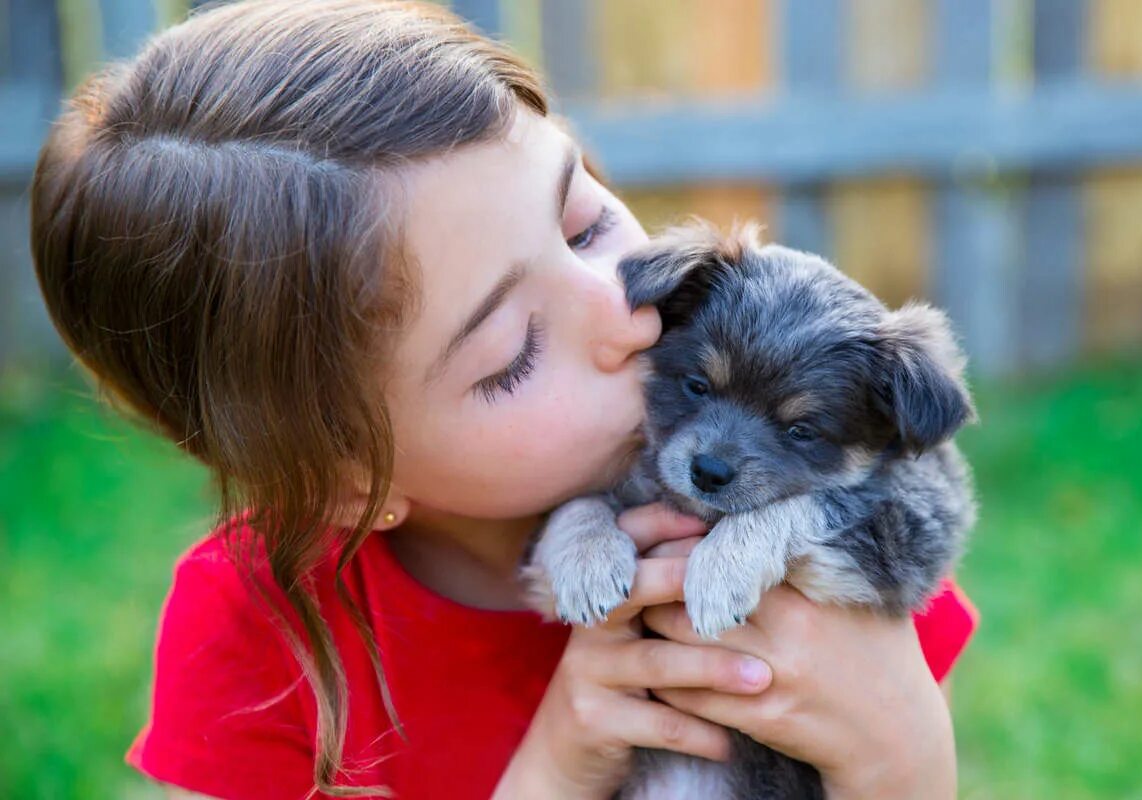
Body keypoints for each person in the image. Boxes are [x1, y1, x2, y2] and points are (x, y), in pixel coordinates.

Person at [29, 1, 979, 797]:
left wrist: (899, 750)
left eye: (584, 223)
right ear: (346, 479)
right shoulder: (252, 634)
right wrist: (558, 766)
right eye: (514, 355)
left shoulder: (817, 547)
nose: (622, 314)